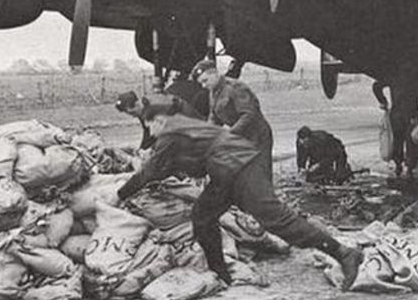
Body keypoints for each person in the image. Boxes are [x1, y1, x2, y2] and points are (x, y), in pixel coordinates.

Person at [117, 106, 363, 289]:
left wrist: (120, 194)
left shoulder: (170, 134)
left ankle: (343, 253)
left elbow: (151, 170)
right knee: (202, 215)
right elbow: (171, 165)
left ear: (159, 120)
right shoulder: (179, 127)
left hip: (242, 166)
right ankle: (221, 274)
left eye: (150, 126)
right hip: (225, 170)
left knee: (275, 219)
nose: (150, 131)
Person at [191, 59, 274, 180]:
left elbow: (249, 115)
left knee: (260, 175)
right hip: (240, 137)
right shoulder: (213, 92)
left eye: (205, 81)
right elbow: (214, 116)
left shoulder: (236, 88)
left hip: (257, 136)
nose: (204, 86)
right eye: (201, 83)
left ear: (214, 73)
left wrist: (228, 135)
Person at [372, 80, 418, 178]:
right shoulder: (416, 77)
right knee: (411, 142)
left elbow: (376, 86)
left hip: (396, 114)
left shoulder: (393, 75)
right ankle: (409, 169)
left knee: (398, 141)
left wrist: (383, 101)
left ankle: (398, 166)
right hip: (412, 114)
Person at [114, 90, 203, 150]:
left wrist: (152, 149)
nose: (133, 116)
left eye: (132, 113)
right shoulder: (142, 110)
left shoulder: (155, 107)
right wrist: (142, 149)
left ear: (137, 104)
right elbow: (148, 133)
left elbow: (166, 134)